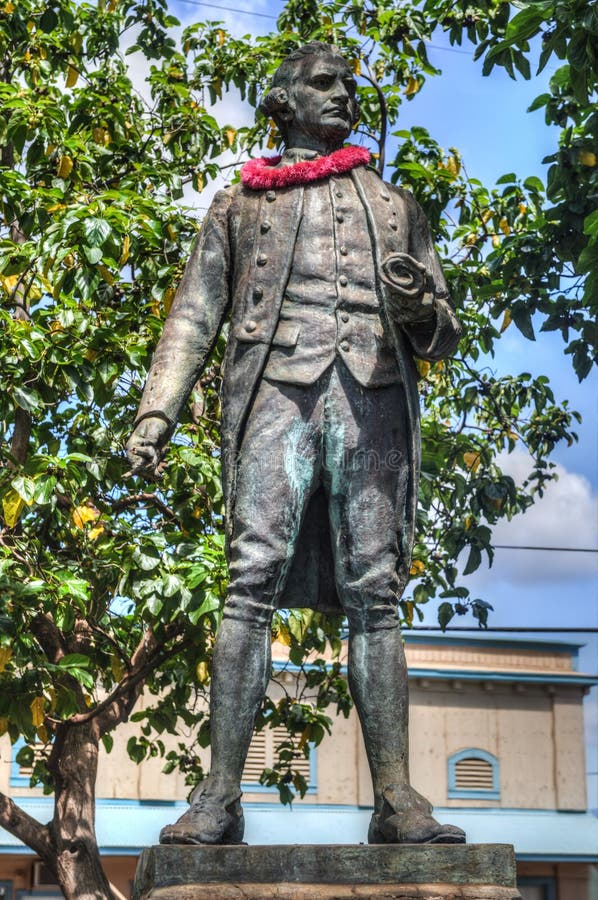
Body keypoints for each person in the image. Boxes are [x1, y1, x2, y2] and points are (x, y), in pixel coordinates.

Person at [126, 41, 465, 846]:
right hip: (276, 396)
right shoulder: (240, 206)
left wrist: (420, 309)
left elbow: (442, 336)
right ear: (282, 101)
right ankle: (219, 798)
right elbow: (192, 316)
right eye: (324, 83)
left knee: (376, 596)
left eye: (349, 84)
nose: (344, 95)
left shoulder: (396, 206)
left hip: (372, 404)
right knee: (249, 581)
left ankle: (396, 801)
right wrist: (156, 414)